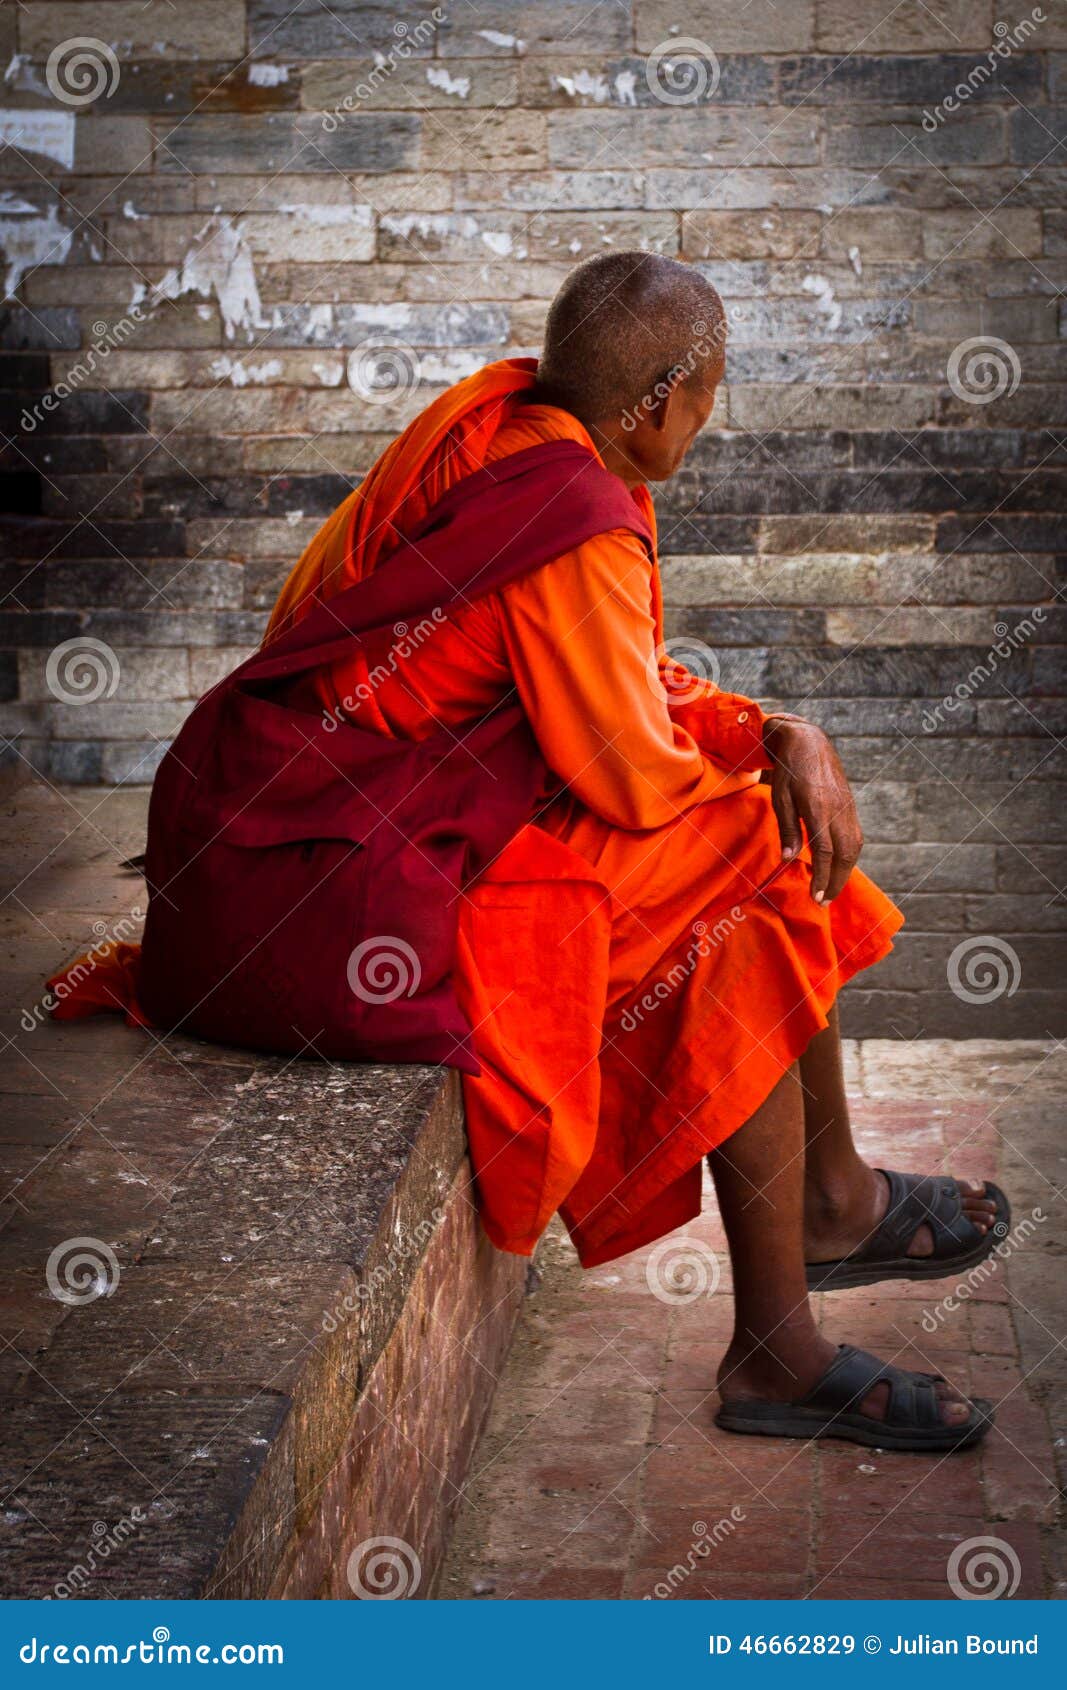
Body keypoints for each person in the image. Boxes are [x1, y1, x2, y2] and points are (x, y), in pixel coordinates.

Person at [52, 252, 1008, 1451]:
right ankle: (788, 1310)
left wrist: (768, 730)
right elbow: (631, 774)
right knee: (753, 862)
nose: (705, 423)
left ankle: (827, 1209)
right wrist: (771, 752)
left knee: (749, 852)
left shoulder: (496, 420)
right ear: (656, 400)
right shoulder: (572, 514)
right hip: (354, 871)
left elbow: (613, 684)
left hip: (289, 821)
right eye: (705, 396)